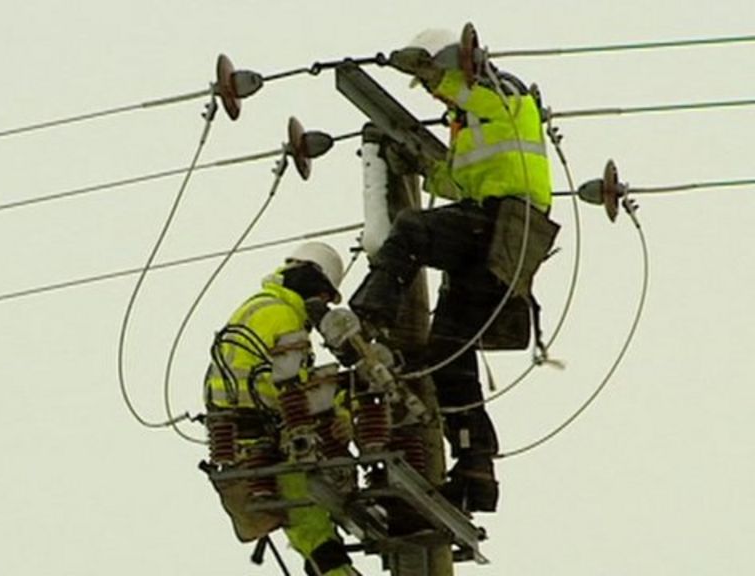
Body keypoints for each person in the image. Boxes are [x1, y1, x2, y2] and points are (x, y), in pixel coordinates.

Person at [349, 28, 558, 513]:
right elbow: (454, 179)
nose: (429, 91)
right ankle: (475, 471)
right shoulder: (470, 124)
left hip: (506, 221)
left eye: (433, 80)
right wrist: (417, 166)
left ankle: (370, 314)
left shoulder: (504, 91)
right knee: (447, 355)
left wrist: (425, 69)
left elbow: (471, 93)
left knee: (412, 231)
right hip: (496, 237)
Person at [203, 241, 362, 576]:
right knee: (309, 515)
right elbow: (298, 388)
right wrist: (343, 412)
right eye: (323, 299)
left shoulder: (259, 305)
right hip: (265, 432)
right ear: (314, 284)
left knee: (306, 524)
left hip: (242, 441)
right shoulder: (284, 316)